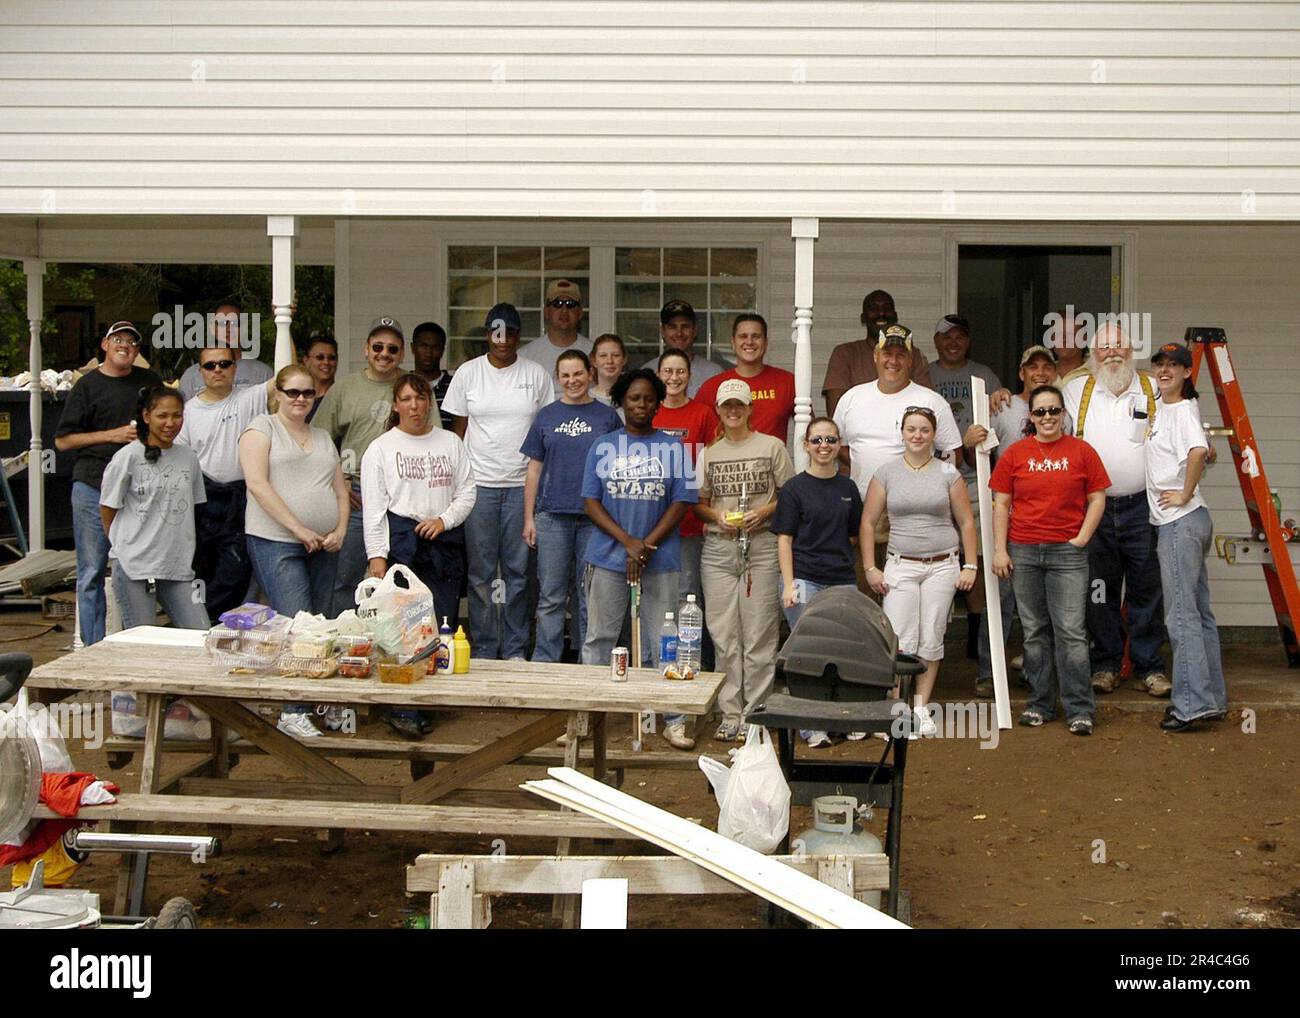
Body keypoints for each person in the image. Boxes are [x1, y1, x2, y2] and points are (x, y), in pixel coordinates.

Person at [239, 363, 351, 738]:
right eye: (293, 392)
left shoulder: (321, 436)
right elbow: (257, 484)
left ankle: (317, 701)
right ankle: (292, 709)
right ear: (278, 394)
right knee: (297, 620)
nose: (301, 399)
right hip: (277, 539)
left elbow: (339, 489)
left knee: (320, 624)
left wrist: (340, 529)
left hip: (323, 543)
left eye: (308, 393)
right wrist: (298, 527)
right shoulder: (261, 428)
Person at [362, 372, 477, 738]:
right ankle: (401, 706)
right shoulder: (380, 449)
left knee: (438, 624)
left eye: (421, 398)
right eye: (407, 399)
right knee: (404, 629)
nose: (415, 406)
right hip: (402, 543)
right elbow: (374, 509)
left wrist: (444, 520)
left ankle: (430, 699)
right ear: (396, 405)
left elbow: (467, 491)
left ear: (430, 402)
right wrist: (377, 556)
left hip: (442, 542)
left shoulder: (450, 443)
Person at [991, 385, 1110, 735]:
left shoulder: (1082, 451)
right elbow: (1001, 503)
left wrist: (1082, 538)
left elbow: (1097, 498)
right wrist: (1000, 549)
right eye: (1040, 412)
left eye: (1053, 411)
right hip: (1024, 551)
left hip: (1067, 553)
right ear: (1030, 416)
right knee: (1034, 631)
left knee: (1071, 632)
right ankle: (1039, 704)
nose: (1047, 418)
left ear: (1063, 415)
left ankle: (1079, 709)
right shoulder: (1015, 454)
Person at [1061, 323, 1171, 697]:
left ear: (1132, 349)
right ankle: (1105, 664)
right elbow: (1044, 425)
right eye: (1104, 347)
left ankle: (1149, 666)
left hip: (1144, 506)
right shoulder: (1076, 390)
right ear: (1093, 354)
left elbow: (1180, 428)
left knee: (1146, 587)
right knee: (1098, 589)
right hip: (1095, 507)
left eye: (1119, 345)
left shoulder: (1153, 387)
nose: (1112, 353)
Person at [442, 302, 551, 659]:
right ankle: (486, 647)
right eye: (496, 331)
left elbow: (545, 432)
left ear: (519, 335)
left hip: (522, 486)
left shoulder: (535, 374)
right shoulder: (468, 374)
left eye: (511, 332)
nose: (503, 339)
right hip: (480, 486)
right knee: (481, 573)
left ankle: (517, 648)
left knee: (519, 573)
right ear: (488, 334)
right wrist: (458, 485)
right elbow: (457, 433)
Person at [860, 408, 977, 738]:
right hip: (901, 563)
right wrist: (870, 567)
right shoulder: (886, 473)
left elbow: (966, 521)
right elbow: (868, 523)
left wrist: (970, 564)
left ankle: (922, 709)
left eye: (924, 430)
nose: (917, 435)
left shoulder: (947, 473)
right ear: (902, 432)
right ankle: (896, 709)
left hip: (942, 564)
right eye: (911, 429)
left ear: (933, 434)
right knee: (899, 637)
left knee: (932, 634)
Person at [580, 370, 696, 701]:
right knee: (600, 637)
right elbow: (591, 501)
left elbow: (681, 502)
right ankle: (588, 713)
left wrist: (646, 546)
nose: (641, 404)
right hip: (608, 557)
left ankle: (670, 714)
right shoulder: (603, 446)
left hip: (660, 560)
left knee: (665, 639)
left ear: (658, 403)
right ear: (621, 402)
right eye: (634, 398)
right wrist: (629, 543)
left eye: (648, 398)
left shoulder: (673, 447)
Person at [695, 379, 795, 742]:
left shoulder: (772, 447)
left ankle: (757, 713)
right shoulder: (709, 453)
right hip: (720, 547)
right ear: (719, 410)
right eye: (727, 406)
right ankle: (730, 711)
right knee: (724, 634)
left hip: (762, 544)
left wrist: (766, 510)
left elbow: (791, 494)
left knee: (759, 635)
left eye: (739, 404)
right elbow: (699, 502)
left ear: (750, 408)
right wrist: (716, 516)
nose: (733, 411)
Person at [55, 321, 163, 646]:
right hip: (93, 487)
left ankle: (136, 646)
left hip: (139, 490)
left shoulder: (149, 383)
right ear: (105, 345)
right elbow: (63, 441)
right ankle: (92, 650)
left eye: (131, 342)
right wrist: (112, 435)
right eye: (118, 339)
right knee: (91, 572)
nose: (125, 346)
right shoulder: (87, 386)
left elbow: (169, 421)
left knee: (138, 570)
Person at [833, 325, 962, 586]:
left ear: (911, 359)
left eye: (901, 355)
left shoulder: (931, 401)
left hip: (911, 513)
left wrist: (928, 488)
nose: (893, 361)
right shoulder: (851, 398)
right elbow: (841, 447)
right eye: (887, 353)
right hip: (862, 508)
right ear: (876, 356)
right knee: (865, 589)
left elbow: (952, 454)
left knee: (903, 593)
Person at [976, 344, 1067, 695]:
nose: (1040, 371)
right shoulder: (1004, 406)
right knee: (999, 599)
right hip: (1008, 516)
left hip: (1048, 520)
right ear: (1021, 373)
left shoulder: (1062, 411)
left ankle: (1036, 672)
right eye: (1033, 367)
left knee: (1038, 604)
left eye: (1047, 366)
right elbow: (980, 454)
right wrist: (973, 439)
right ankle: (988, 672)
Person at [1145, 343, 1226, 732]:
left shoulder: (1181, 410)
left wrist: (1185, 492)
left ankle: (1191, 705)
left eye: (1173, 365)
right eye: (1160, 364)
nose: (1165, 370)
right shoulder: (1163, 409)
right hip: (1185, 520)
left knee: (1181, 616)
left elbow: (1197, 451)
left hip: (1180, 520)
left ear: (1187, 372)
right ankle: (1211, 699)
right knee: (1198, 612)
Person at [522, 350, 621, 663]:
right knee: (551, 595)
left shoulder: (606, 417)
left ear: (590, 374)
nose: (572, 380)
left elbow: (616, 468)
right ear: (557, 377)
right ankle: (545, 661)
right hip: (551, 516)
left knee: (588, 595)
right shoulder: (546, 415)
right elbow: (534, 470)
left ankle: (587, 662)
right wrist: (529, 518)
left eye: (578, 373)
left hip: (595, 518)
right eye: (565, 375)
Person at [773, 416, 862, 748]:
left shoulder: (848, 488)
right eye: (817, 440)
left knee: (842, 652)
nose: (824, 446)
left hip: (841, 580)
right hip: (805, 578)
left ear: (839, 445)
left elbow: (853, 535)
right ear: (806, 445)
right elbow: (784, 539)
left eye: (830, 440)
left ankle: (839, 718)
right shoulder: (796, 488)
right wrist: (788, 583)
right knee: (807, 653)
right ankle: (811, 726)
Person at [314, 316, 411, 615]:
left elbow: (426, 438)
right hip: (354, 494)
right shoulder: (343, 389)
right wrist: (339, 482)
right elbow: (320, 440)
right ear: (365, 349)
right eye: (378, 347)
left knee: (399, 579)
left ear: (402, 353)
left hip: (399, 496)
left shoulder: (411, 388)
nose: (385, 354)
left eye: (392, 349)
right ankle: (342, 638)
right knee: (345, 577)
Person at [927, 314, 1005, 685]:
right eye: (946, 337)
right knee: (939, 555)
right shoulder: (924, 376)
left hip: (977, 480)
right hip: (933, 478)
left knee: (974, 558)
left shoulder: (984, 376)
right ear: (936, 341)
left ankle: (977, 635)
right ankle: (932, 636)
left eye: (960, 336)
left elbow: (1002, 425)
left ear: (967, 341)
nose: (953, 342)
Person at [98, 385, 210, 632]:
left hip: (178, 566)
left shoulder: (188, 458)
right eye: (162, 416)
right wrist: (122, 545)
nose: (170, 423)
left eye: (177, 415)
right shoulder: (127, 457)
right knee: (144, 643)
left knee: (201, 635)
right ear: (147, 417)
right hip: (135, 567)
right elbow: (107, 508)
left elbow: (195, 508)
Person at [175, 347, 275, 623]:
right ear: (200, 371)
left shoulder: (249, 398)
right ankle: (199, 625)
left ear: (234, 367)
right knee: (203, 567)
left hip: (243, 495)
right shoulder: (188, 412)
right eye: (209, 366)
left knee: (236, 567)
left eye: (224, 363)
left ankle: (224, 625)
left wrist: (284, 320)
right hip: (204, 496)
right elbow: (181, 461)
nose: (217, 369)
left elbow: (285, 376)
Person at [822, 289, 933, 418]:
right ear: (863, 318)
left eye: (887, 308)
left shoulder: (911, 354)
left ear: (895, 316)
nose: (881, 313)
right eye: (873, 308)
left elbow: (926, 406)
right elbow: (837, 412)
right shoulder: (845, 353)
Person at [696, 313, 796, 441]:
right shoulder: (713, 387)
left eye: (756, 336)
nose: (749, 342)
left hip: (772, 459)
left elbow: (811, 430)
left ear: (765, 343)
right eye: (743, 336)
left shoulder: (787, 382)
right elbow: (696, 433)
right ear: (733, 343)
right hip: (727, 459)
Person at [177, 303, 273, 400]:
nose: (229, 329)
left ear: (244, 328)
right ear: (212, 328)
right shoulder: (191, 376)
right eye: (222, 323)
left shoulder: (262, 373)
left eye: (235, 323)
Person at [519, 279, 592, 398]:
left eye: (570, 304)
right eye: (557, 304)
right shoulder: (525, 356)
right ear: (547, 311)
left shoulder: (593, 353)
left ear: (580, 312)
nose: (564, 310)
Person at [640, 300, 725, 397]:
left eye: (685, 326)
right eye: (672, 327)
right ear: (663, 331)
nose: (679, 333)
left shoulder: (714, 373)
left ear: (695, 330)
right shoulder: (647, 373)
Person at [411, 321, 455, 430]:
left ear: (442, 350)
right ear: (413, 348)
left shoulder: (455, 386)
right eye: (423, 346)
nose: (428, 353)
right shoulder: (403, 386)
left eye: (435, 347)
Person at [301, 335, 337, 421]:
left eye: (332, 358)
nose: (326, 362)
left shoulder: (340, 397)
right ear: (306, 360)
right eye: (320, 357)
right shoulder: (298, 397)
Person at [590, 333, 628, 406]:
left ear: (624, 359)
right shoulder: (585, 398)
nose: (609, 361)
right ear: (594, 360)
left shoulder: (633, 397)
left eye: (616, 355)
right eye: (603, 355)